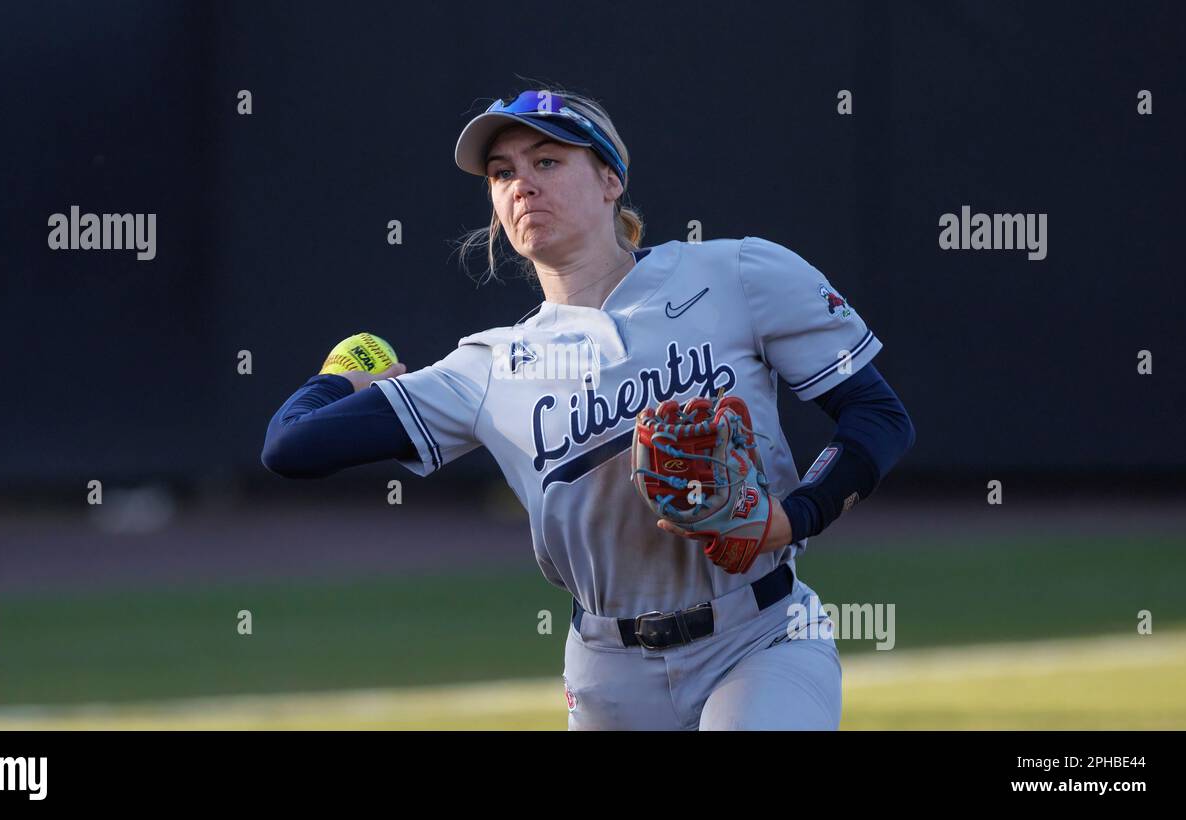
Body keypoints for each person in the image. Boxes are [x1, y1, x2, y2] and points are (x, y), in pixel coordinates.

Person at [261, 87, 915, 730]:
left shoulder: (737, 274)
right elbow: (291, 448)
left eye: (547, 161)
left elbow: (877, 415)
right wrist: (336, 380)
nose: (522, 184)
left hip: (761, 636)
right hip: (607, 678)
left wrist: (793, 516)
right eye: (502, 172)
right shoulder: (488, 368)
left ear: (610, 179)